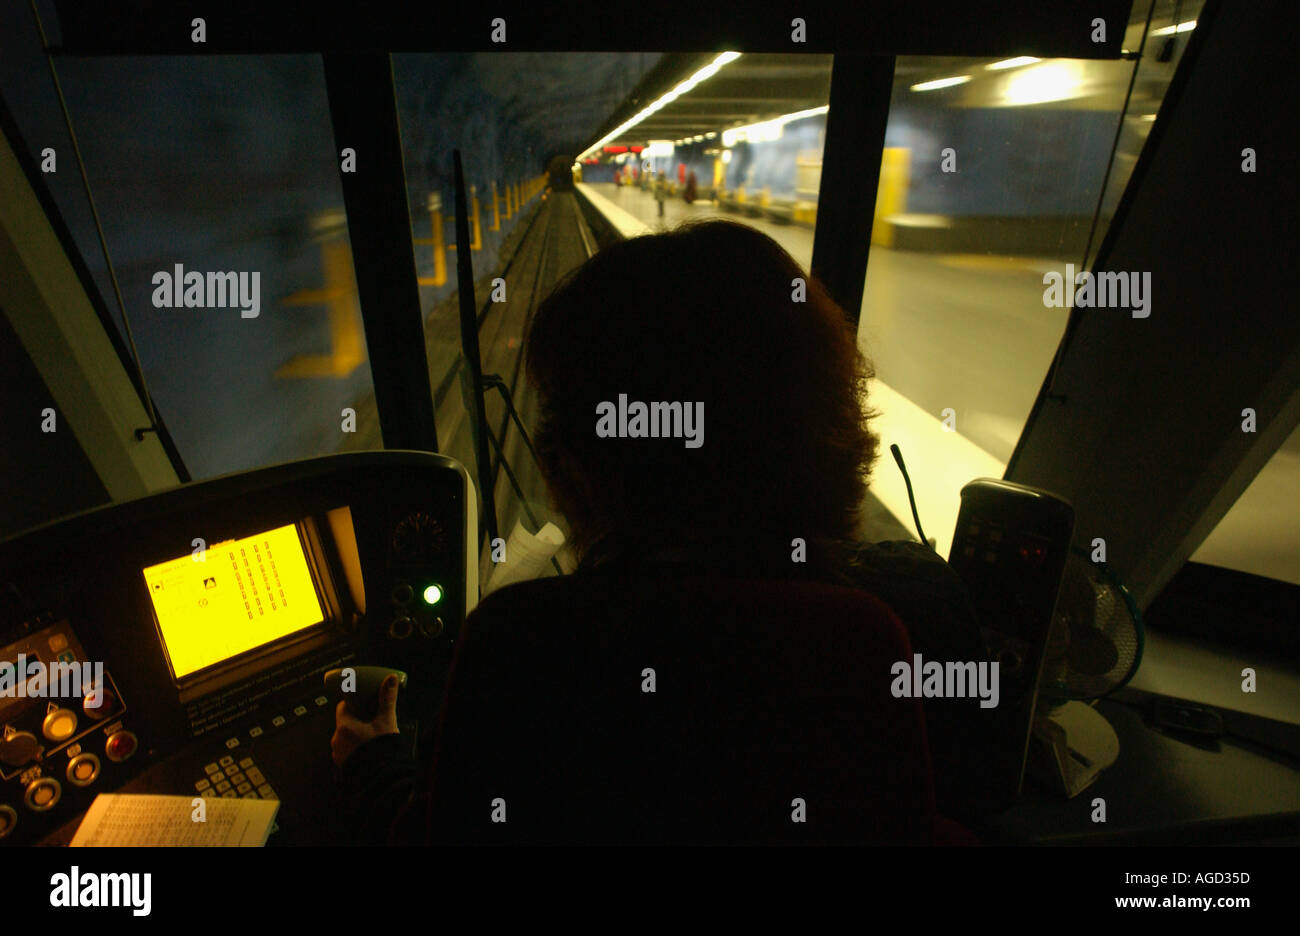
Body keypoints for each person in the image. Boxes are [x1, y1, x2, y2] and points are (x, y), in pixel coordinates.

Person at [334, 219, 991, 842]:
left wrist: (377, 767)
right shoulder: (902, 622)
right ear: (832, 427)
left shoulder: (522, 649)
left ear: (569, 462)